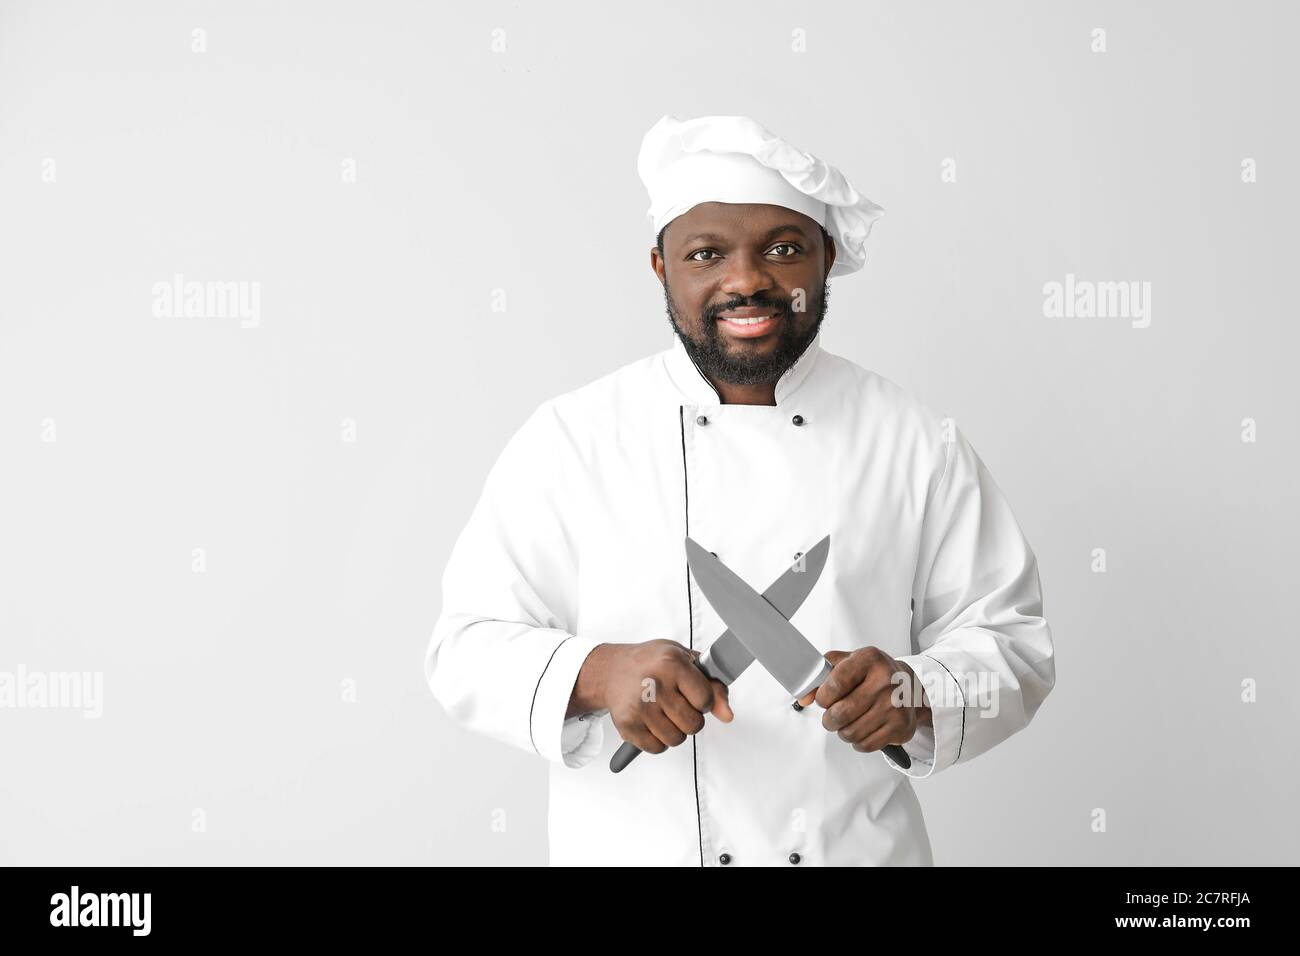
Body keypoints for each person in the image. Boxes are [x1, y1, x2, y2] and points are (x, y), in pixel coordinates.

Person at [425, 114, 1056, 866]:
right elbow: (463, 649)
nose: (748, 279)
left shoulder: (916, 443)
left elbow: (1015, 647)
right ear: (662, 268)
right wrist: (599, 674)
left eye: (784, 249)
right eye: (706, 253)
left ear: (827, 260)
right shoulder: (575, 440)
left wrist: (919, 690)